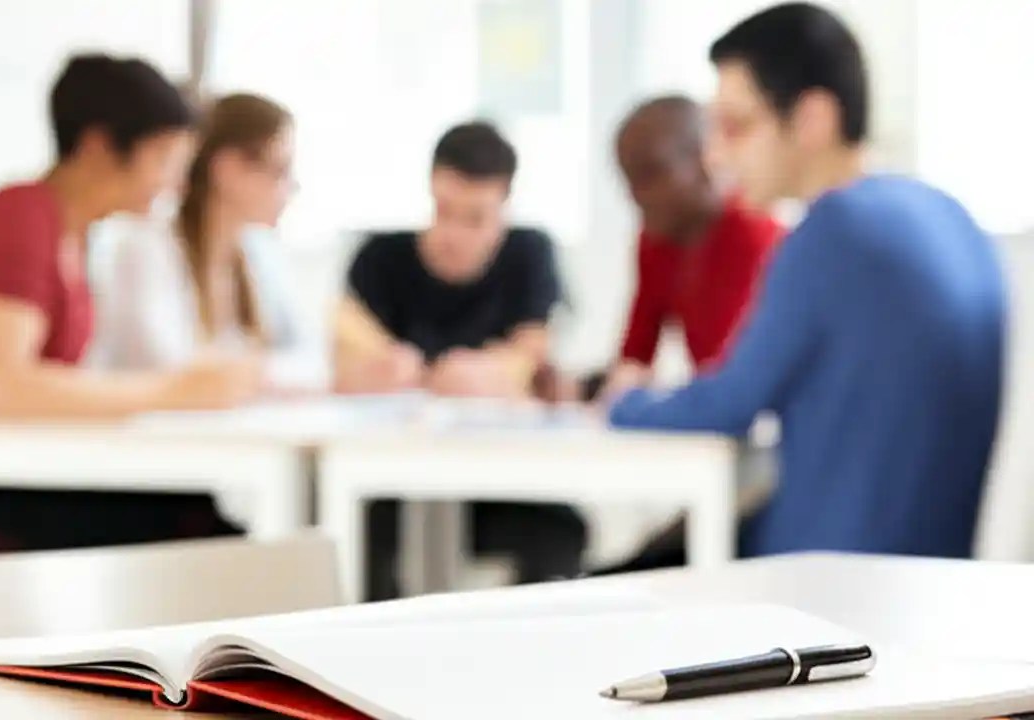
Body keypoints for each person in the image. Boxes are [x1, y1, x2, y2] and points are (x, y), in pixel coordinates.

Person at [607, 2, 1006, 564]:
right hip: (923, 574)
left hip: (823, 580)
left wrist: (623, 403)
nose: (717, 154)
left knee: (611, 581)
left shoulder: (835, 230)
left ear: (812, 118)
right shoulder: (950, 218)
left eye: (736, 126)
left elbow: (728, 403)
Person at [0, 55, 261, 561]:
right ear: (99, 146)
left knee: (197, 518)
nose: (176, 185)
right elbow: (2, 390)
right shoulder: (19, 216)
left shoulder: (75, 237)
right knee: (196, 534)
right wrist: (175, 391)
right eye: (165, 160)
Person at [333, 121, 584, 599]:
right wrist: (381, 372)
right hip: (391, 483)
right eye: (444, 211)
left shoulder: (530, 253)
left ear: (505, 207)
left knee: (559, 533)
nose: (453, 234)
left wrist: (491, 372)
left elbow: (531, 355)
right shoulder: (379, 259)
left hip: (499, 482)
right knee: (358, 530)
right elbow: (344, 366)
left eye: (475, 218)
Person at [90, 92, 322, 530]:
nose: (289, 189)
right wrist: (257, 374)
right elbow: (172, 372)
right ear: (229, 169)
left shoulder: (257, 254)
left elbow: (312, 360)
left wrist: (248, 376)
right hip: (152, 473)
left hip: (231, 462)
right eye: (279, 170)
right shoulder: (145, 246)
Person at [597, 95, 783, 399]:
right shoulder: (656, 244)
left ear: (706, 158)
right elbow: (634, 359)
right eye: (629, 178)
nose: (637, 195)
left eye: (652, 173)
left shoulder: (756, 237)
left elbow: (735, 380)